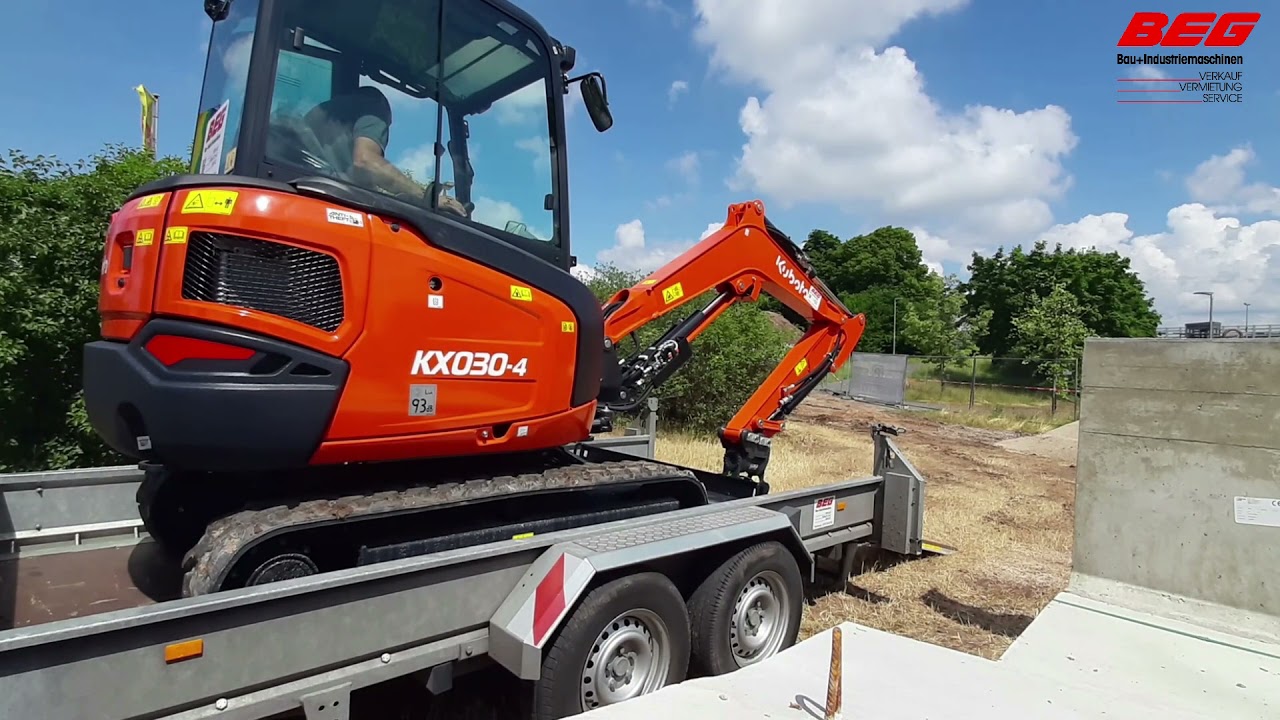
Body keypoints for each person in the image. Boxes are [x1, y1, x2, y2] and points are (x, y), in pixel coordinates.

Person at [303, 85, 468, 216]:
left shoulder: (317, 119)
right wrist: (426, 197)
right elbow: (365, 161)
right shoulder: (373, 105)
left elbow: (356, 176)